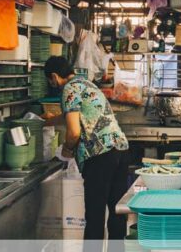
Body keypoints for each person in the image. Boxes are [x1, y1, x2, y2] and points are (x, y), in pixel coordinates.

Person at [45, 56, 130, 248]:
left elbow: (74, 132)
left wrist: (66, 150)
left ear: (55, 76)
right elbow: (79, 115)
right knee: (117, 212)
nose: (52, 85)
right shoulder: (86, 84)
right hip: (120, 149)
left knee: (95, 216)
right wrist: (49, 121)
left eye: (50, 81)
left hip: (99, 155)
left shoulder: (68, 89)